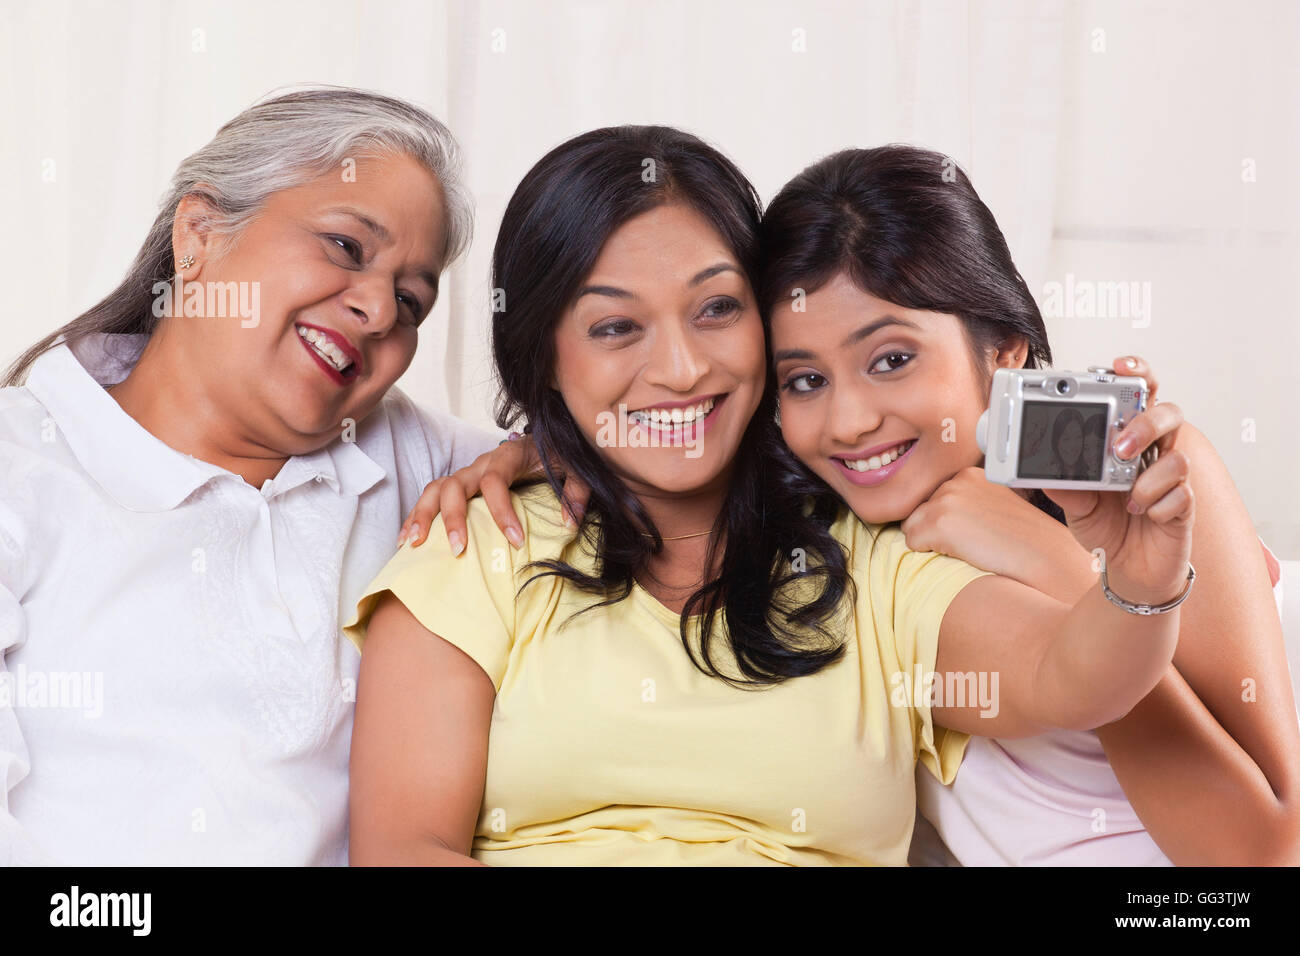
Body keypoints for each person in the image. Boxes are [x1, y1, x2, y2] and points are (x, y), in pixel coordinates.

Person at [344, 126, 1194, 866]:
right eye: (614, 327)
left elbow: (1068, 674)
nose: (681, 370)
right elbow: (401, 851)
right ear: (546, 360)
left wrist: (1141, 578)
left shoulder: (871, 550)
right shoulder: (472, 541)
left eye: (716, 307)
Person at [0, 86, 500, 865]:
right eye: (345, 246)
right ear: (199, 234)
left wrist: (524, 457)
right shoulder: (21, 465)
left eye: (411, 299)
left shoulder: (403, 455)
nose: (377, 309)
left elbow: (617, 453)